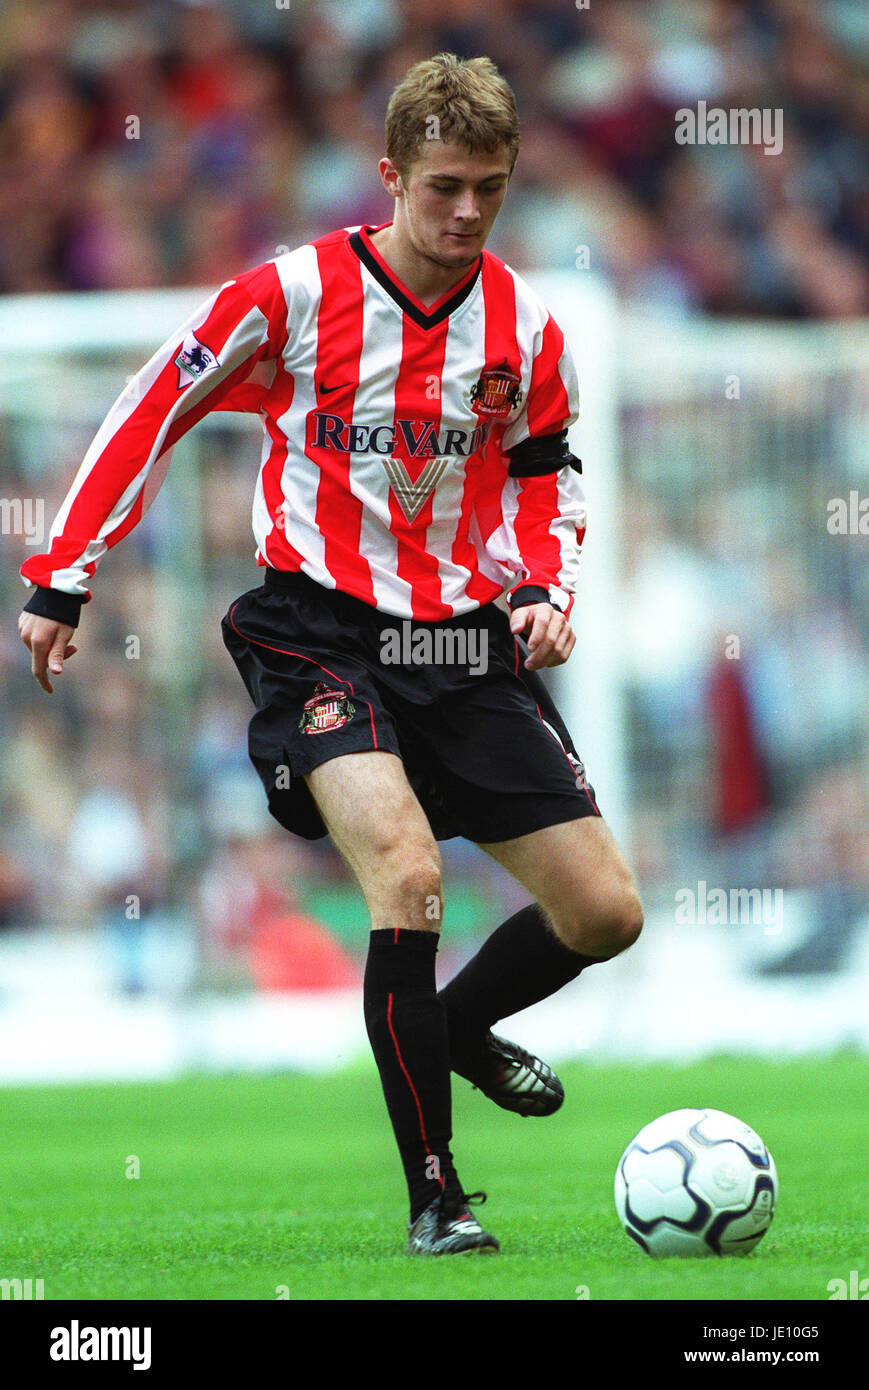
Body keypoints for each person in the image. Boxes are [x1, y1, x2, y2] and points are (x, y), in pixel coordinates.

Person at [18, 53, 643, 1256]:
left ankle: (453, 1031)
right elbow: (157, 403)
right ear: (390, 176)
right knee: (405, 876)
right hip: (319, 637)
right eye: (445, 185)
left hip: (459, 646)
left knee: (604, 911)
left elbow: (544, 481)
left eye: (491, 189)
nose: (466, 213)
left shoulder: (525, 329)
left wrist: (544, 593)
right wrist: (64, 573)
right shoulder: (291, 294)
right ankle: (436, 1197)